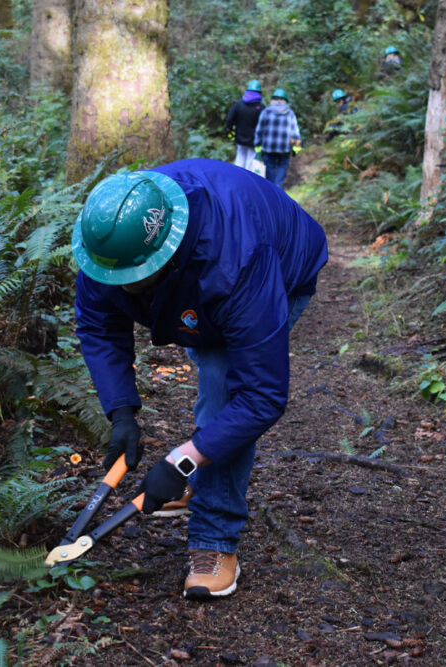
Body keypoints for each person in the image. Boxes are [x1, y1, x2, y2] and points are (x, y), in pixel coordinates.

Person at [71, 158, 328, 601]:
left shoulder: (239, 260)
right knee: (215, 388)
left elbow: (261, 396)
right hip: (200, 284)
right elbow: (98, 326)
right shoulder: (111, 247)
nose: (119, 284)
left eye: (134, 279)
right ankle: (203, 477)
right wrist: (122, 411)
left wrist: (182, 461)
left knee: (223, 388)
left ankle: (214, 538)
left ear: (166, 253)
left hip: (281, 271)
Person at [252, 88, 302, 189]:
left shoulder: (266, 111)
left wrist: (257, 144)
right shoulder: (290, 113)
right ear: (286, 100)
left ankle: (272, 189)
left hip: (268, 148)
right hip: (284, 148)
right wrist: (296, 147)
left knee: (269, 169)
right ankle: (278, 186)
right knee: (282, 167)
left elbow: (259, 130)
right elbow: (295, 133)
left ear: (272, 99)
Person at [225, 79, 265, 174]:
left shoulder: (239, 104)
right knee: (250, 161)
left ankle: (237, 176)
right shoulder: (261, 107)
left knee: (240, 158)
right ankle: (246, 181)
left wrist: (228, 129)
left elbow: (230, 118)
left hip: (240, 138)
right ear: (260, 92)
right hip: (253, 141)